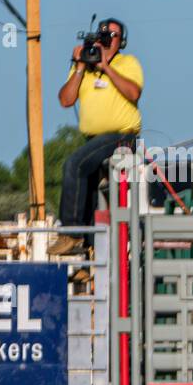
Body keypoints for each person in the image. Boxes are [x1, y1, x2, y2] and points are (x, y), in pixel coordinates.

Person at [50, 17, 143, 255]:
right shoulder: (85, 67)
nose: (106, 39)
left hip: (121, 136)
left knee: (75, 164)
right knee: (89, 194)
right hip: (94, 141)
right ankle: (87, 251)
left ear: (120, 42)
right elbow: (65, 100)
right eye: (103, 35)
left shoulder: (127, 63)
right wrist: (80, 65)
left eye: (112, 35)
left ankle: (70, 233)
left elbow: (133, 93)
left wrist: (106, 67)